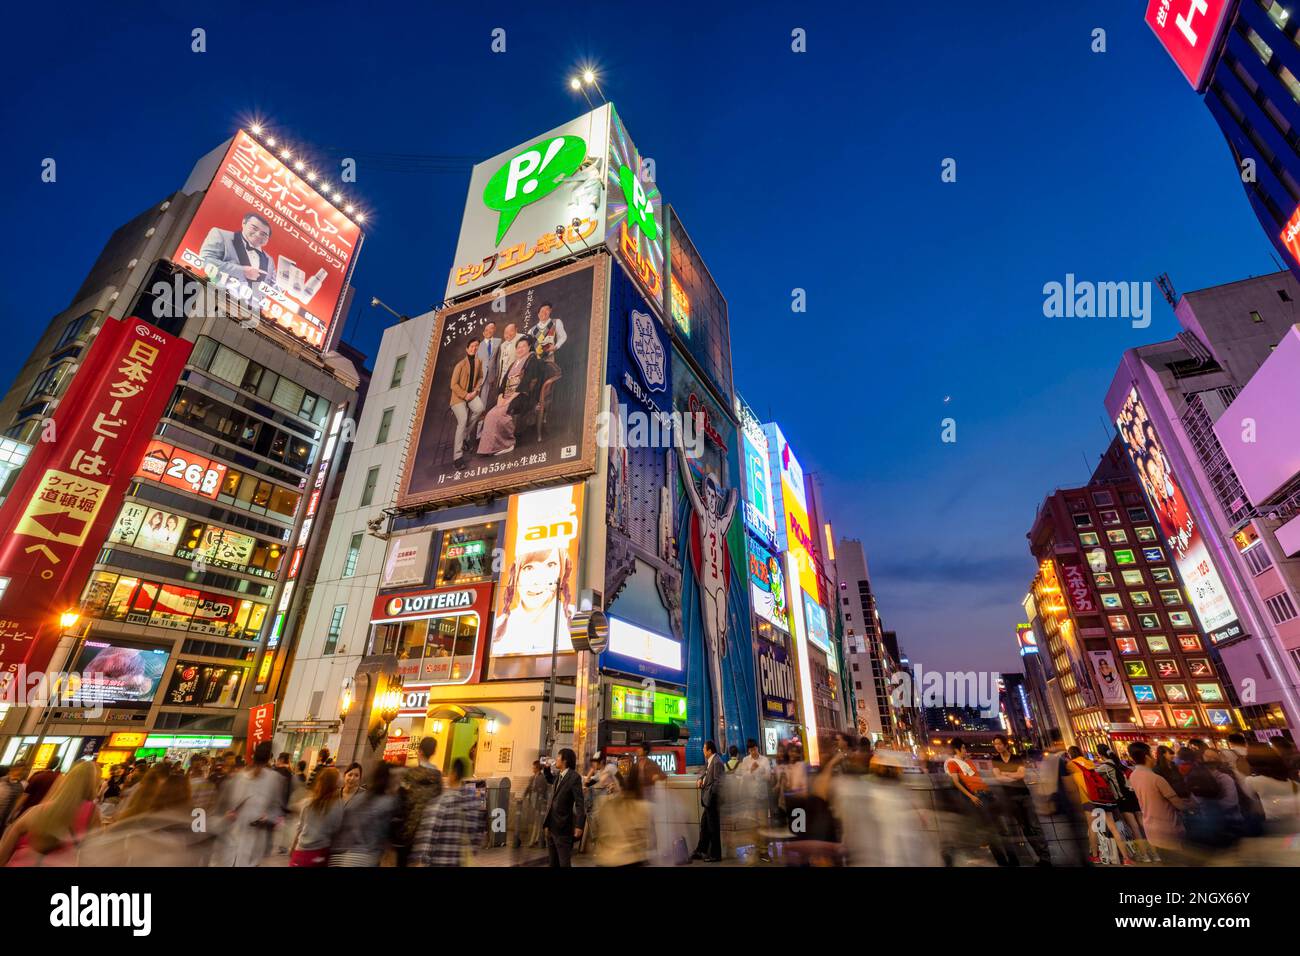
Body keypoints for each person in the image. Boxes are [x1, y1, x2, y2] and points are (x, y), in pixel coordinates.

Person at [0, 760, 100, 866]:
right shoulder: (92, 812)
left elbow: (6, 848)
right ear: (94, 784)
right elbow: (94, 854)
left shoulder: (37, 810)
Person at [209, 741, 285, 867]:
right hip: (231, 843)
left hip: (253, 845)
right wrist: (226, 817)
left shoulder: (274, 779)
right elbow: (218, 812)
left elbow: (277, 810)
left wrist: (267, 818)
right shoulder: (237, 779)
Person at [490, 545, 575, 657]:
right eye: (528, 568)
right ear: (516, 574)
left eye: (550, 565)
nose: (537, 581)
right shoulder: (497, 628)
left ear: (562, 571)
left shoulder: (575, 620)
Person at [945, 738, 1016, 866]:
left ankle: (1013, 861)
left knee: (1002, 829)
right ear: (957, 749)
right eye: (964, 748)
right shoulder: (952, 763)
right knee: (991, 831)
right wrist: (971, 797)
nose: (966, 750)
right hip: (978, 796)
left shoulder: (969, 762)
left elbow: (977, 777)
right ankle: (1002, 862)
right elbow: (956, 782)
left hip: (988, 794)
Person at [1067, 746, 1136, 865]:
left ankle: (1095, 856)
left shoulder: (1071, 765)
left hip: (1088, 800)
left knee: (1093, 828)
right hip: (1102, 798)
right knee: (1113, 827)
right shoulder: (1090, 763)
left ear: (1070, 754)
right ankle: (1126, 858)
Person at [1127, 742, 1194, 864]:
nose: (1154, 757)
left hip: (1150, 828)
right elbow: (1178, 803)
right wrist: (1192, 807)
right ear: (1147, 757)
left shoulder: (1133, 775)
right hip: (1168, 827)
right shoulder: (1156, 778)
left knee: (1166, 861)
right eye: (1152, 754)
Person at [477, 335, 544, 456]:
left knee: (499, 414)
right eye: (518, 347)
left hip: (522, 395)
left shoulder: (532, 360)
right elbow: (503, 383)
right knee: (491, 414)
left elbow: (526, 381)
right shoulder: (514, 363)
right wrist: (500, 397)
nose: (520, 349)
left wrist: (509, 400)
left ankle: (508, 444)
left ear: (529, 347)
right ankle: (492, 446)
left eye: (523, 346)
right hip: (507, 396)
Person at [990, 735, 1051, 866]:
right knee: (1024, 828)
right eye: (995, 744)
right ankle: (1036, 857)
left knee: (1034, 826)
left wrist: (1006, 774)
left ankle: (1045, 858)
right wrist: (1013, 776)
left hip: (1024, 796)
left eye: (1000, 743)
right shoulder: (995, 759)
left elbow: (1022, 775)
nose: (997, 746)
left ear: (1006, 744)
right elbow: (998, 778)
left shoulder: (1016, 758)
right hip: (1009, 798)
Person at [411, 758, 483, 867]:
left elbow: (429, 833)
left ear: (453, 774)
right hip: (459, 861)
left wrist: (421, 860)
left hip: (440, 861)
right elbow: (477, 834)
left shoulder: (441, 802)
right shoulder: (472, 803)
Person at [331, 763, 398, 867]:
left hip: (346, 856)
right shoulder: (388, 802)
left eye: (356, 775)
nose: (352, 778)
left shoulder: (362, 797)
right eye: (350, 774)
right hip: (366, 857)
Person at [395, 737, 444, 866]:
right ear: (433, 752)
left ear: (420, 751)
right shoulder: (437, 776)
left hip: (409, 828)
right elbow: (439, 801)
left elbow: (400, 798)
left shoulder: (410, 774)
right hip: (428, 830)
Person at [199, 212, 276, 288]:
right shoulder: (221, 235)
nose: (257, 235)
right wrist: (242, 271)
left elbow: (270, 286)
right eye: (254, 228)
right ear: (243, 223)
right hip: (211, 292)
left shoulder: (270, 260)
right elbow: (205, 261)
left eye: (263, 234)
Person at [595, 764, 652, 867]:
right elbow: (644, 841)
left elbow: (601, 833)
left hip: (607, 859)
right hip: (630, 860)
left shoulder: (607, 804)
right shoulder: (643, 807)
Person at [291, 767, 344, 867]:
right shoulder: (337, 804)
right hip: (319, 853)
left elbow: (300, 827)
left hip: (301, 851)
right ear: (336, 783)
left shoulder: (308, 802)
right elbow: (336, 828)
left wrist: (294, 847)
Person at [542, 748, 586, 867]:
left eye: (558, 757)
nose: (556, 759)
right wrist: (546, 769)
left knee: (564, 862)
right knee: (552, 862)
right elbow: (550, 779)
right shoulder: (559, 776)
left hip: (563, 826)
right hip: (551, 826)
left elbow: (580, 803)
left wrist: (579, 825)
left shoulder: (574, 777)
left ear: (564, 760)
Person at [449, 339, 485, 469]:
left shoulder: (478, 362)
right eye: (472, 346)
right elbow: (453, 385)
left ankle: (464, 436)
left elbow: (481, 377)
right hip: (458, 397)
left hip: (471, 394)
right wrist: (465, 395)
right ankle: (457, 457)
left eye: (476, 346)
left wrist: (476, 390)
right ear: (467, 348)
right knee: (463, 419)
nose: (474, 348)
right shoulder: (460, 365)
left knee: (480, 408)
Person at [691, 740, 725, 863]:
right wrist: (701, 779)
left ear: (709, 751)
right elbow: (705, 773)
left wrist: (710, 796)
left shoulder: (717, 762)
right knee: (705, 826)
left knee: (713, 828)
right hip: (708, 801)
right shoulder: (710, 761)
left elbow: (718, 782)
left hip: (712, 800)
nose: (702, 750)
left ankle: (716, 855)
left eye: (704, 748)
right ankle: (701, 850)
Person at [477, 321, 503, 411]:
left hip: (490, 377)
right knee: (474, 401)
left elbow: (498, 361)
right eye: (486, 329)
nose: (489, 331)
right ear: (483, 332)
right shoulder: (478, 345)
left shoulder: (498, 342)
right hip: (479, 377)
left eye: (491, 328)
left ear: (494, 330)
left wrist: (496, 376)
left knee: (484, 401)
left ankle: (480, 424)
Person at [0, 763, 27, 835]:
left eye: (23, 770)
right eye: (19, 769)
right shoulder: (4, 781)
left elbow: (19, 801)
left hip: (7, 813)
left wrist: (12, 814)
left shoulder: (22, 785)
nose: (22, 772)